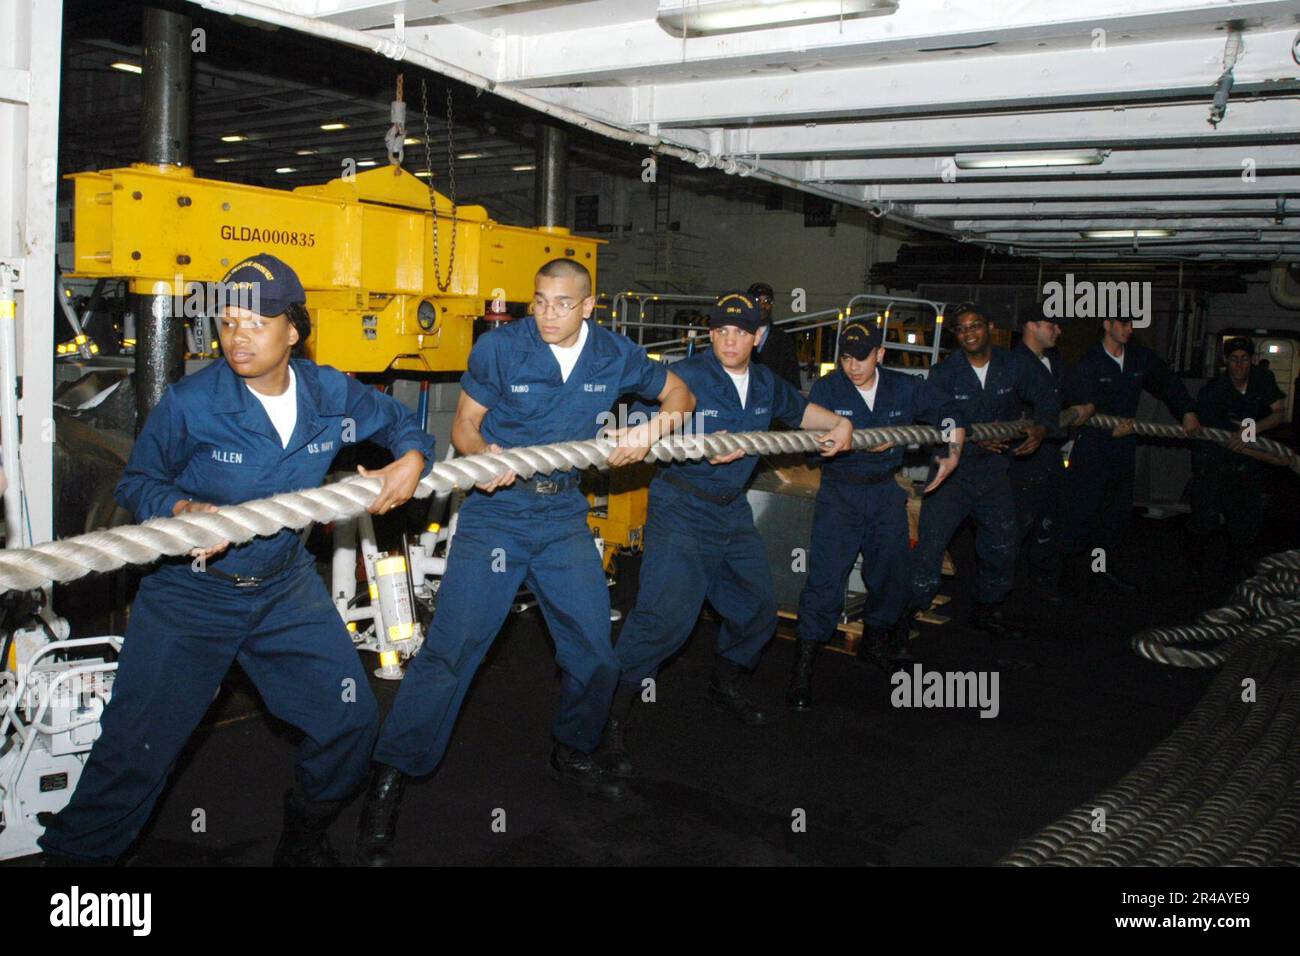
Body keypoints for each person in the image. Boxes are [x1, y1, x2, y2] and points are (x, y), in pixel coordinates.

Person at [38, 253, 437, 865]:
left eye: (254, 322)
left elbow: (402, 422)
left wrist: (410, 456)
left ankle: (302, 834)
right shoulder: (192, 403)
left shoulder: (330, 392)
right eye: (227, 322)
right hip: (192, 594)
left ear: (293, 331)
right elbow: (137, 482)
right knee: (134, 753)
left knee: (350, 724)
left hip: (283, 588)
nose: (237, 336)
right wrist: (178, 508)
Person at [355, 258, 694, 865]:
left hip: (563, 514)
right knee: (453, 650)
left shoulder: (614, 355)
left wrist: (655, 426)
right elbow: (464, 427)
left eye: (563, 304)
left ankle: (572, 747)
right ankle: (391, 775)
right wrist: (486, 456)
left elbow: (679, 392)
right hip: (499, 516)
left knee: (595, 654)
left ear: (589, 306)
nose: (548, 315)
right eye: (539, 301)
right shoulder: (502, 349)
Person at [601, 291, 852, 774]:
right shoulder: (689, 376)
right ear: (709, 334)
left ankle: (726, 681)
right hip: (682, 507)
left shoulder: (764, 383)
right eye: (720, 330)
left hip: (731, 511)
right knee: (664, 620)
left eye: (740, 331)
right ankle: (610, 717)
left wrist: (839, 421)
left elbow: (800, 412)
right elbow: (638, 424)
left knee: (758, 608)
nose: (729, 339)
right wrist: (689, 445)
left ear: (758, 337)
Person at [788, 319, 964, 709]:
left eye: (862, 357)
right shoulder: (828, 388)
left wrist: (951, 451)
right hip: (841, 494)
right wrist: (852, 446)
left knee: (891, 571)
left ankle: (875, 641)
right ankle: (804, 664)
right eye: (846, 357)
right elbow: (811, 449)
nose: (853, 366)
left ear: (880, 354)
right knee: (825, 579)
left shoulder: (904, 386)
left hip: (885, 491)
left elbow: (947, 410)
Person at [908, 304, 1057, 640]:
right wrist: (974, 437)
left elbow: (1047, 399)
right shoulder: (944, 374)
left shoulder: (1013, 364)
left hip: (993, 475)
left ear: (990, 326)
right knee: (930, 549)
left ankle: (988, 609)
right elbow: (936, 419)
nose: (969, 333)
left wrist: (1039, 428)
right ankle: (905, 620)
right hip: (952, 476)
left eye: (975, 325)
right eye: (961, 329)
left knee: (1003, 546)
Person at [1058, 317, 1201, 595]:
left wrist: (1187, 409)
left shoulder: (1139, 358)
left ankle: (1100, 571)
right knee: (1082, 513)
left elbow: (1166, 381)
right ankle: (1069, 576)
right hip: (1094, 448)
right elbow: (1078, 410)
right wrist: (1107, 434)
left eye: (1132, 325)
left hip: (1123, 449)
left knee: (1113, 517)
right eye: (1123, 324)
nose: (1129, 330)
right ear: (1107, 324)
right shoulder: (1089, 363)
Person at [1008, 306, 1094, 604]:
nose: (1058, 331)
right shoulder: (1011, 364)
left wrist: (1082, 406)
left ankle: (1043, 586)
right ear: (1031, 326)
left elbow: (1080, 397)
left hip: (1050, 458)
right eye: (1053, 325)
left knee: (1048, 524)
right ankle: (1004, 597)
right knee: (1015, 530)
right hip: (1019, 460)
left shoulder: (1055, 363)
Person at [1186, 336, 1288, 583]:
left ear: (1251, 361)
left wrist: (1252, 428)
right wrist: (1272, 458)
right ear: (1226, 362)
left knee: (1245, 520)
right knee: (1205, 519)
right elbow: (1220, 439)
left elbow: (1279, 411)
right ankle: (1195, 568)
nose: (1239, 365)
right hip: (1214, 458)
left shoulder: (1261, 379)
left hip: (1245, 462)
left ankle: (1235, 570)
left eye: (1244, 359)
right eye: (1234, 359)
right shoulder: (1214, 391)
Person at [748, 281, 802, 389]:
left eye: (767, 300)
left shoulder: (784, 341)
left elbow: (793, 381)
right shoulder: (738, 335)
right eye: (757, 300)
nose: (763, 305)